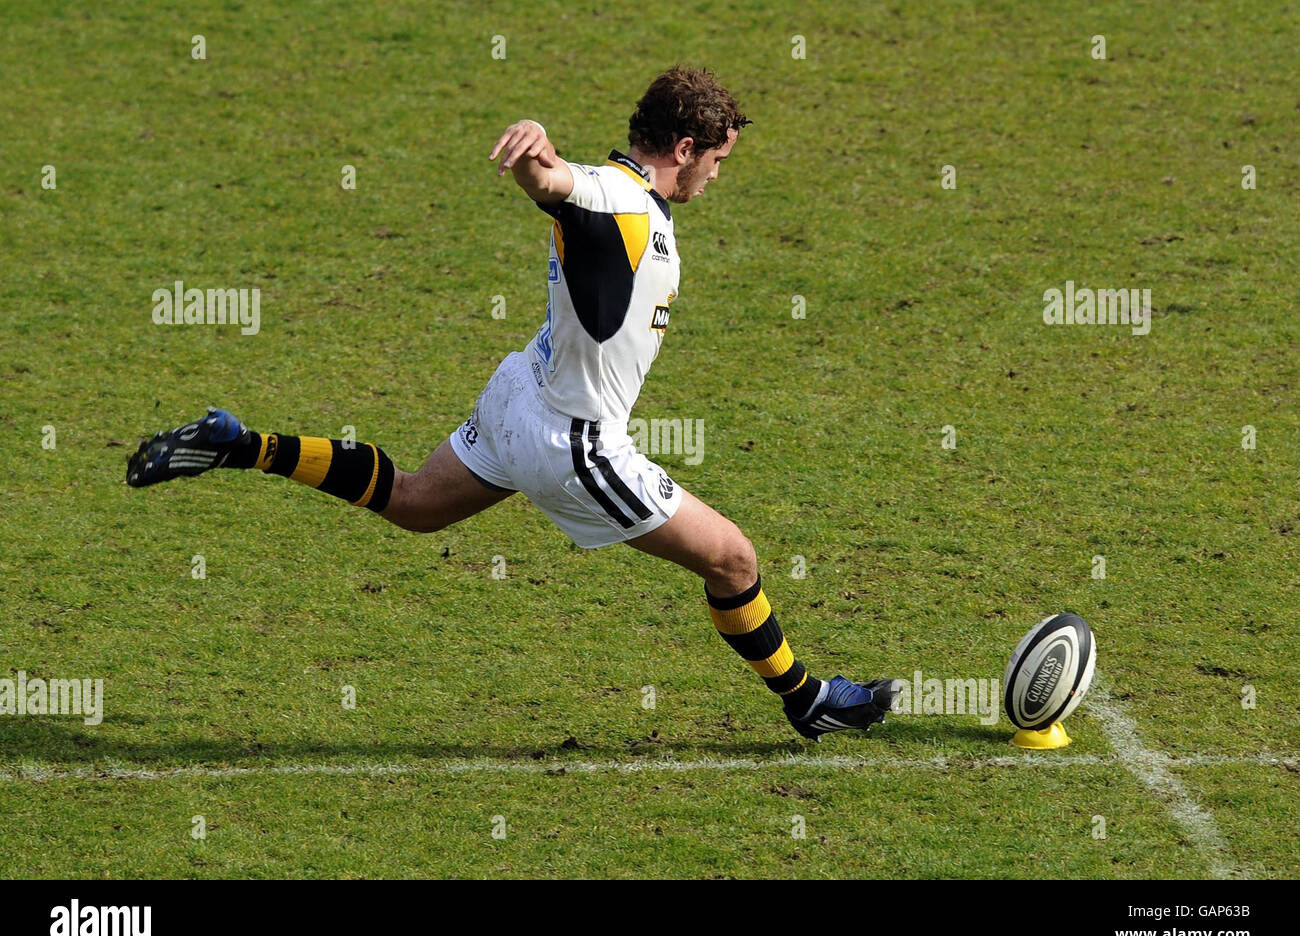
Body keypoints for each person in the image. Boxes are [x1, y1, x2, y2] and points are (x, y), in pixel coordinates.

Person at [126, 66, 903, 740]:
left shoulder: (629, 199)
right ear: (685, 149)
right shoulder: (620, 199)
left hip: (519, 395)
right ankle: (810, 703)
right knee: (733, 557)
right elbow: (562, 189)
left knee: (412, 503)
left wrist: (550, 166)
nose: (720, 177)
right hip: (573, 442)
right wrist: (538, 158)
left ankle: (241, 444)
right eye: (720, 159)